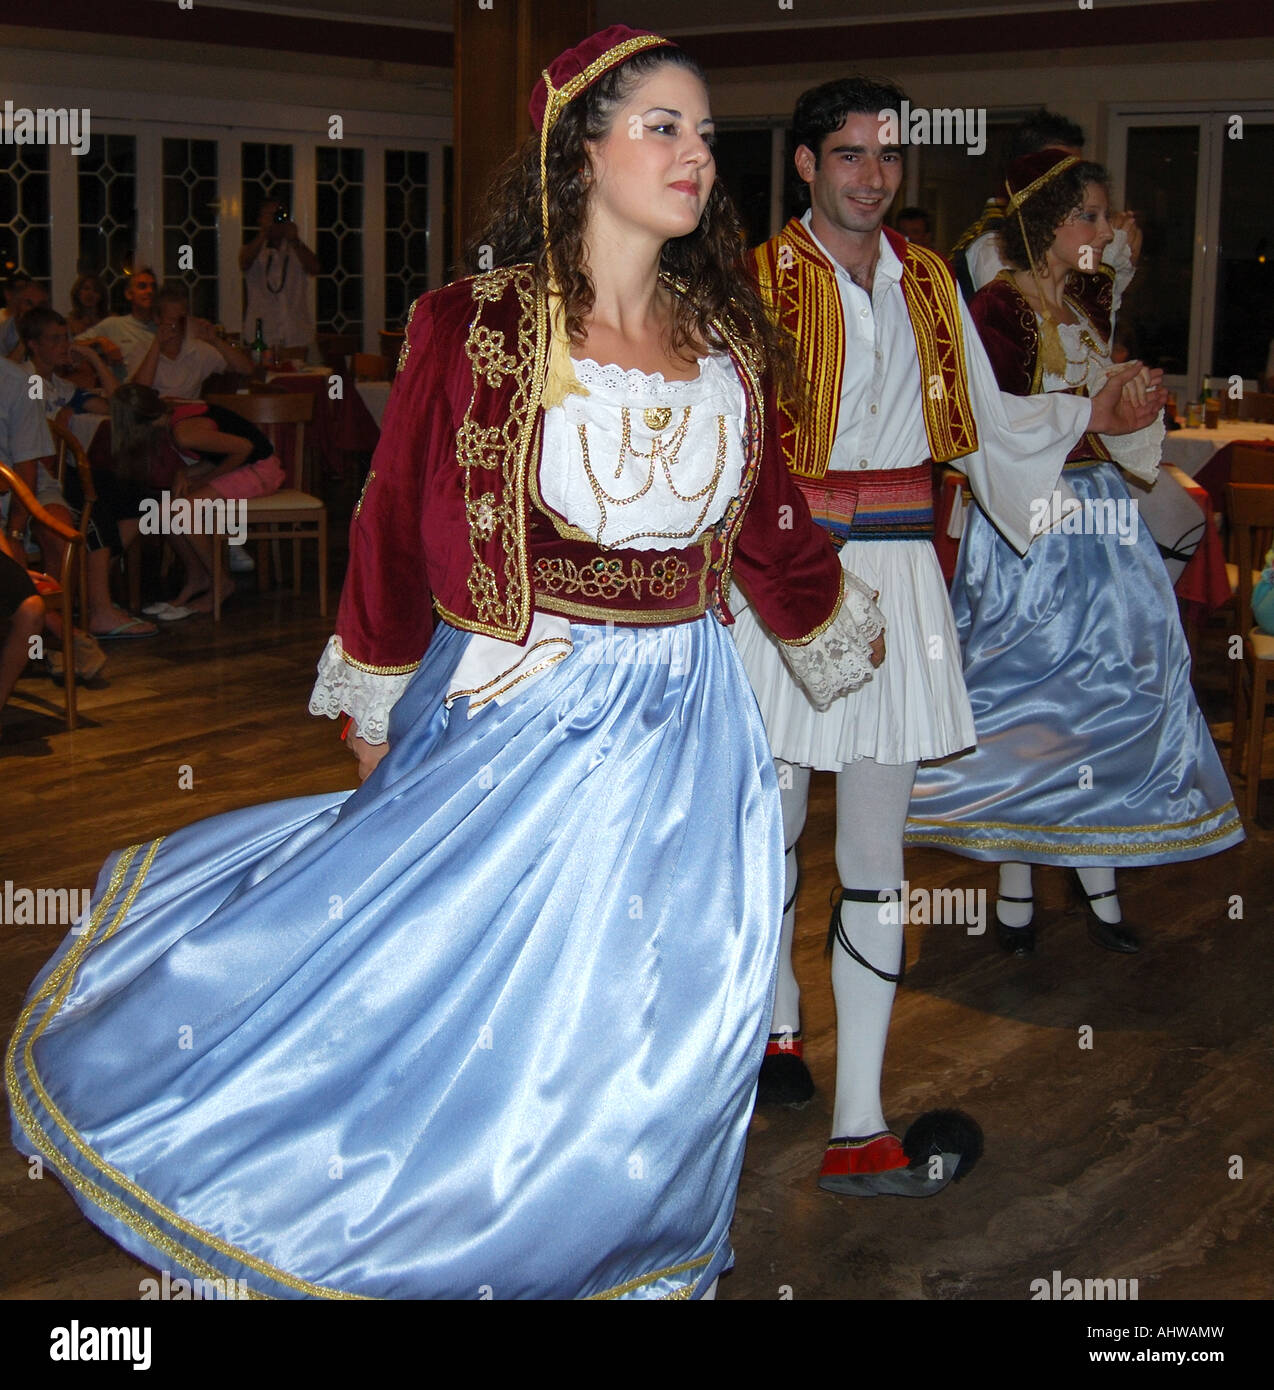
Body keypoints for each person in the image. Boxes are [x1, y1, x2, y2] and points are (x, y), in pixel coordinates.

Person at [6, 29, 889, 1299]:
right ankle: (432, 1222)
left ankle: (618, 1251)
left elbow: (769, 519)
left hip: (696, 718)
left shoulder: (727, 335)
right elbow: (398, 517)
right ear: (577, 153)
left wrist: (839, 632)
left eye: (703, 132)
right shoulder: (477, 325)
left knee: (667, 1008)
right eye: (661, 126)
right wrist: (372, 698)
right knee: (484, 993)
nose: (695, 153)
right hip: (528, 704)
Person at [732, 78, 1165, 1198]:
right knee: (761, 833)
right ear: (802, 167)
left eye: (884, 157)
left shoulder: (928, 283)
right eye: (847, 155)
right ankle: (760, 1039)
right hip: (778, 579)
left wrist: (1091, 416)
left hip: (894, 582)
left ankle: (861, 1120)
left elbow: (986, 425)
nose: (870, 176)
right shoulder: (750, 286)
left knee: (874, 853)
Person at [905, 151, 1243, 951]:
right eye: (1087, 216)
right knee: (1031, 703)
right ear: (1048, 225)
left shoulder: (1080, 302)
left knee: (1106, 698)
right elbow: (990, 423)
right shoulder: (999, 309)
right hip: (1036, 530)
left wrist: (1130, 397)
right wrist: (1089, 411)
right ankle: (1017, 893)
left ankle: (1100, 876)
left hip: (1099, 523)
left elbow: (1098, 398)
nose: (1101, 231)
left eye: (1100, 216)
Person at [20, 307, 156, 638]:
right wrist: (57, 421)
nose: (64, 346)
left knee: (143, 498)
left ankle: (92, 590)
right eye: (55, 340)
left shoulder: (59, 385)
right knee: (95, 512)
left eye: (66, 337)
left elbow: (116, 405)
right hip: (43, 476)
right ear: (33, 345)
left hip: (68, 470)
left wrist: (94, 361)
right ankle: (99, 609)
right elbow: (32, 434)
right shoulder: (26, 381)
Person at [110, 383, 283, 614]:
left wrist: (205, 481)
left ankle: (222, 583)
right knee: (165, 510)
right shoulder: (175, 420)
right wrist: (183, 473)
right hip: (244, 466)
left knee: (183, 510)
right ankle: (197, 578)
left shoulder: (183, 433)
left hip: (262, 468)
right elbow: (218, 455)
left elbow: (244, 449)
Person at [951, 111, 1141, 308]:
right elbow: (1032, 325)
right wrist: (1110, 262)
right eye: (1061, 173)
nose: (1076, 183)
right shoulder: (994, 248)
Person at [0, 355, 107, 677]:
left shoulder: (19, 382)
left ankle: (44, 639)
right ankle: (61, 636)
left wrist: (17, 530)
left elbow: (29, 467)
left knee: (60, 535)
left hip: (25, 478)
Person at [131, 283, 254, 397]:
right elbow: (139, 391)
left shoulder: (197, 350)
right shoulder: (143, 347)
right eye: (172, 319)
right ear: (157, 318)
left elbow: (246, 369)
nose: (177, 326)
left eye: (181, 319)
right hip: (155, 415)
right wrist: (157, 344)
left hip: (189, 414)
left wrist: (215, 340)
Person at [240, 198, 319, 361]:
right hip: (262, 339)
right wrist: (263, 234)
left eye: (278, 215)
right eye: (268, 216)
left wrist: (295, 240)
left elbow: (315, 268)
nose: (274, 221)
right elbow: (244, 262)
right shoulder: (254, 249)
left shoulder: (296, 249)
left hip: (298, 338)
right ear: (260, 219)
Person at [75, 267, 157, 379]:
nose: (150, 291)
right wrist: (101, 342)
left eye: (153, 287)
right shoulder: (114, 324)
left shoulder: (163, 328)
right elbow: (73, 345)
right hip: (124, 392)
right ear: (129, 294)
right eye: (142, 287)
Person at [66, 272, 110, 338]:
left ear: (101, 296)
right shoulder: (70, 322)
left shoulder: (110, 320)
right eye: (86, 289)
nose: (90, 294)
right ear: (78, 292)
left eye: (96, 290)